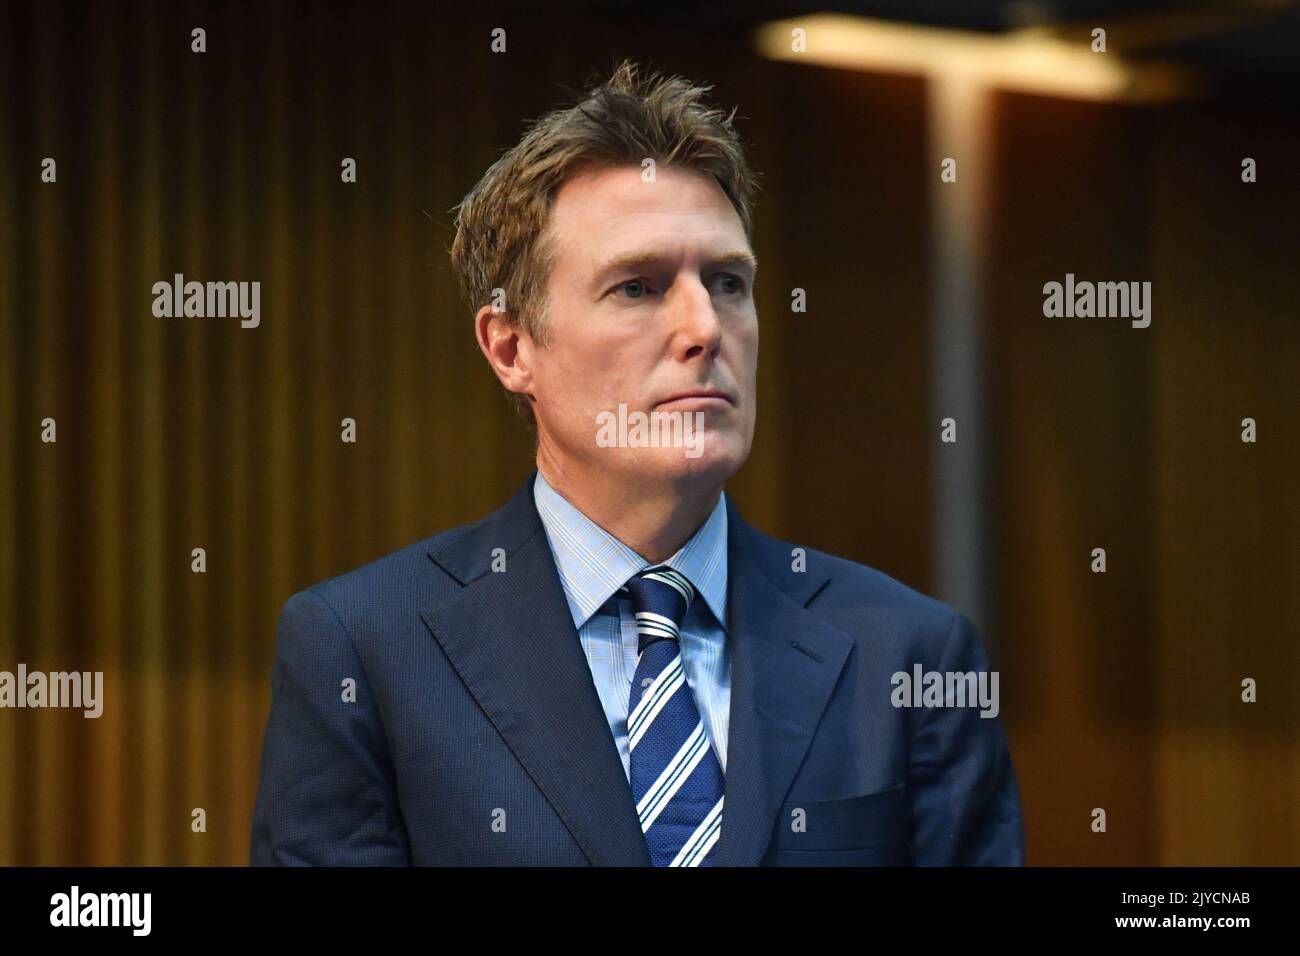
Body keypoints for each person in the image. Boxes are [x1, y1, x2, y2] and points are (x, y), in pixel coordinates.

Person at [249, 58, 1025, 866]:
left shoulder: (909, 652)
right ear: (511, 347)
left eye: (727, 282)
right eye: (638, 287)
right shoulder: (367, 649)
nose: (704, 328)